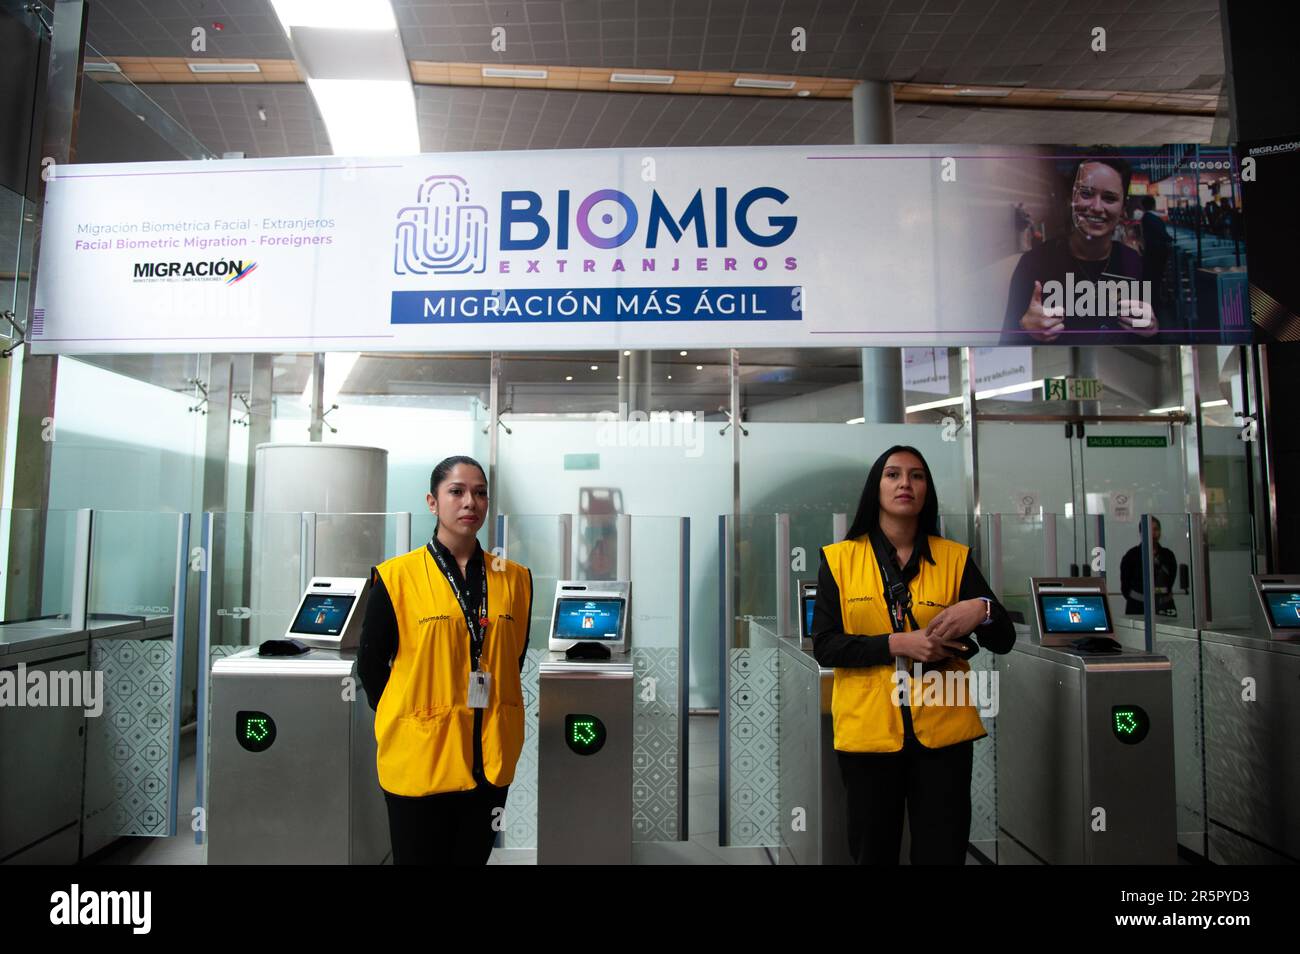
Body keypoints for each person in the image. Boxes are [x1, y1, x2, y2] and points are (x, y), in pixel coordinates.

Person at [812, 446, 1016, 865]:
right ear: (876, 488)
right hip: (869, 731)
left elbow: (1003, 640)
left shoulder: (955, 559)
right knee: (874, 850)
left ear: (927, 490)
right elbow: (826, 644)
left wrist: (983, 608)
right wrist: (897, 643)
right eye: (893, 475)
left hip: (943, 730)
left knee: (942, 849)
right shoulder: (839, 559)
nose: (906, 483)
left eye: (917, 476)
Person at [358, 455, 533, 864]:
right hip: (420, 755)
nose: (470, 502)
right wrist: (410, 713)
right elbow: (371, 666)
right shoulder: (396, 577)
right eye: (456, 491)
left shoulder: (516, 578)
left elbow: (513, 658)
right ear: (433, 502)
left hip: (489, 758)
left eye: (480, 492)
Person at [1001, 157, 1160, 345]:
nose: (1096, 207)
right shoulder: (1034, 263)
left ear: (1123, 209)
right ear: (1070, 200)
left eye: (1109, 198)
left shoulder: (1133, 261)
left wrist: (1153, 330)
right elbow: (1006, 340)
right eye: (1086, 194)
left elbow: (1151, 334)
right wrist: (1023, 329)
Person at [1119, 516, 1177, 616]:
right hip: (1138, 607)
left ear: (1160, 532)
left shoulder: (1168, 555)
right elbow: (1125, 586)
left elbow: (1171, 579)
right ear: (1141, 533)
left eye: (1156, 529)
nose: (1153, 533)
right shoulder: (1131, 556)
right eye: (1149, 530)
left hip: (1165, 607)